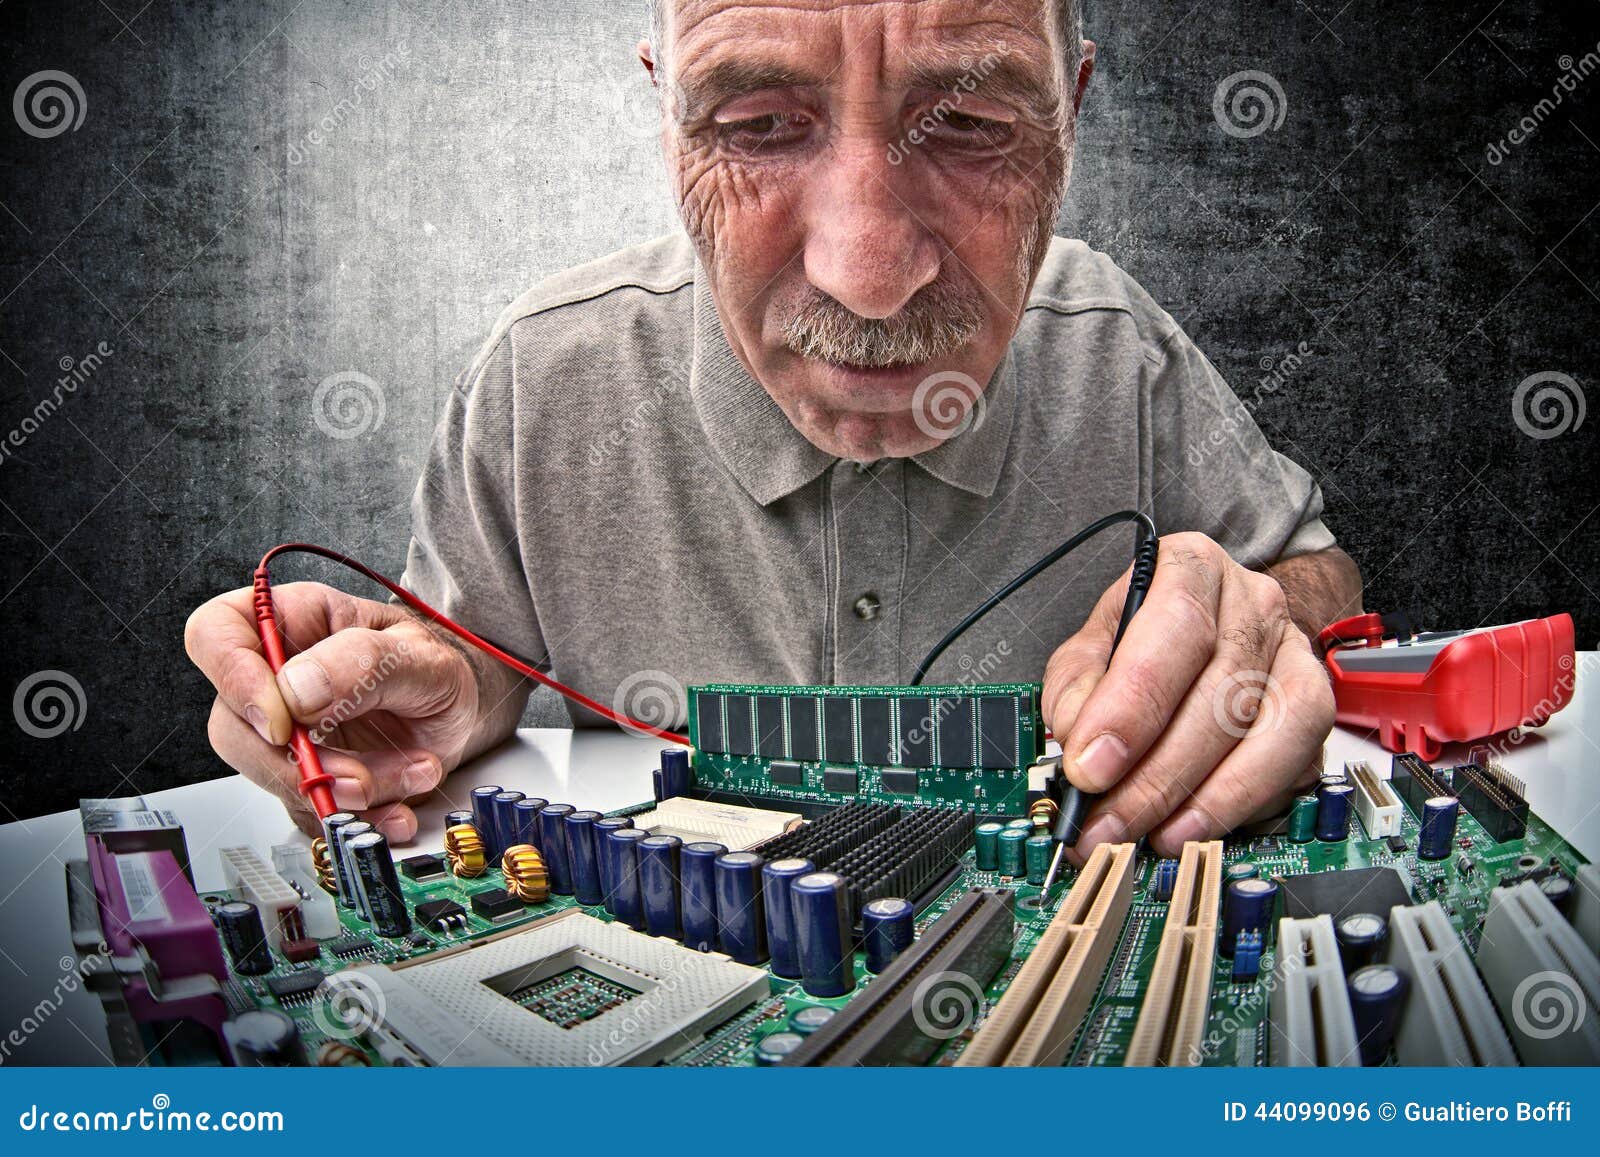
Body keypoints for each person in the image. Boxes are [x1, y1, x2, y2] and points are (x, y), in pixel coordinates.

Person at [185, 0, 1361, 858]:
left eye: (971, 124)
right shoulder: (538, 378)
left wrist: (1263, 619)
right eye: (755, 125)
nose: (867, 276)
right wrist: (433, 690)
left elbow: (1312, 574)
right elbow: (477, 659)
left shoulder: (1116, 340)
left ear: (1071, 114)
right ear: (665, 114)